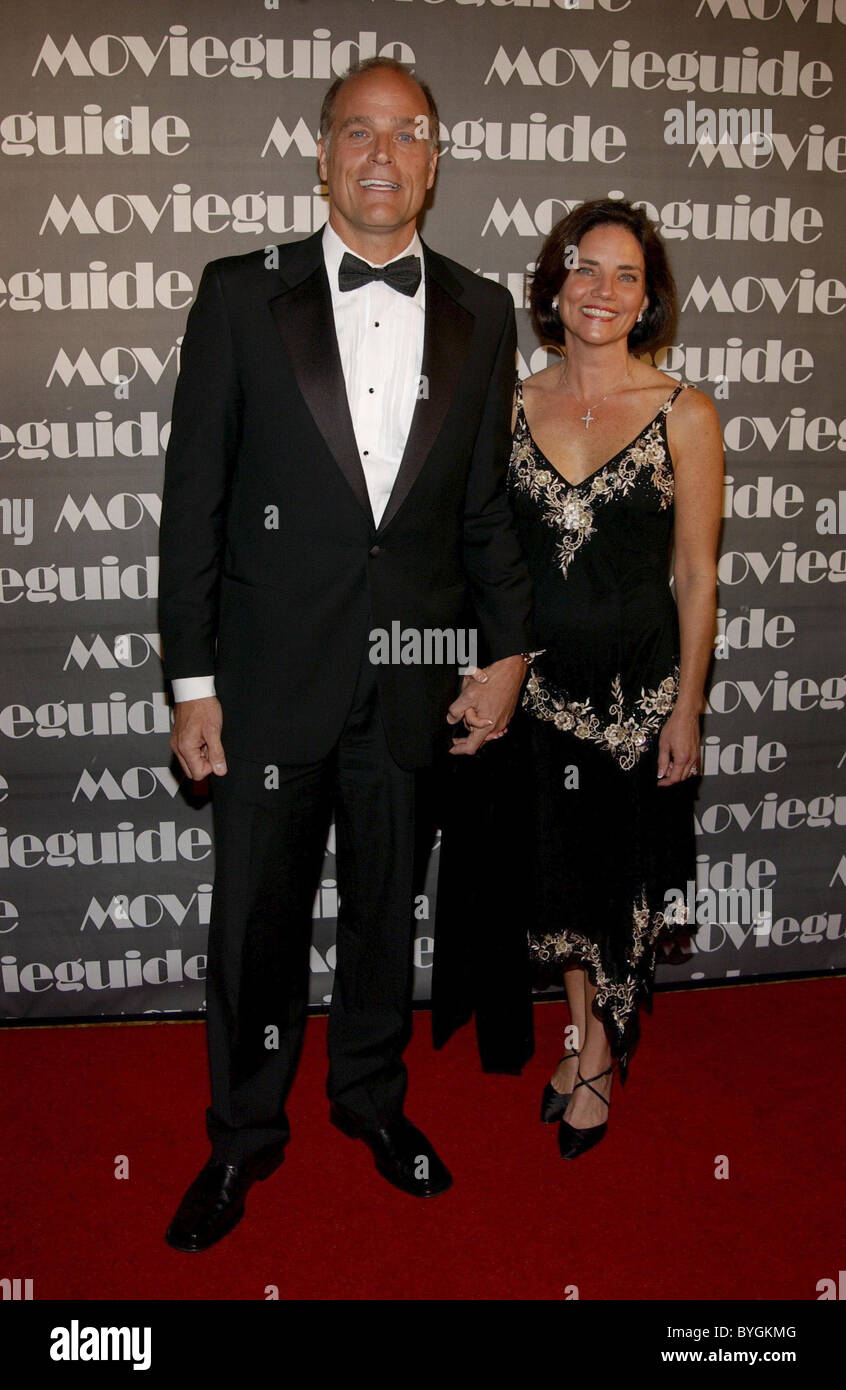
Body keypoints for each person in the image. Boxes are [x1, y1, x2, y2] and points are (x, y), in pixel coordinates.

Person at [158, 57, 534, 1252]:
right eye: (357, 133)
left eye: (408, 133)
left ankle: (372, 1100)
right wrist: (193, 681)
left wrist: (506, 651)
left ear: (435, 160)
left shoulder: (483, 308)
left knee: (385, 911)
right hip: (269, 683)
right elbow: (194, 506)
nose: (382, 153)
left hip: (416, 678)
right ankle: (242, 1138)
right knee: (254, 924)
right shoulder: (237, 294)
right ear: (320, 156)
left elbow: (485, 510)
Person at [440, 199, 723, 1157]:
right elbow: (485, 556)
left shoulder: (686, 414)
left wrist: (688, 704)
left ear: (649, 300)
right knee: (560, 889)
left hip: (638, 700)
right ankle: (582, 1034)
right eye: (585, 269)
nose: (603, 291)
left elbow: (695, 573)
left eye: (626, 275)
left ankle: (601, 1053)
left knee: (620, 885)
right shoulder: (510, 406)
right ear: (553, 285)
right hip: (541, 699)